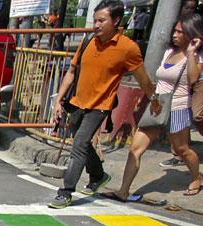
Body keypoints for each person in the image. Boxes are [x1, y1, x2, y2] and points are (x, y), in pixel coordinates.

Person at [49, 0, 156, 209]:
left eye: (101, 20)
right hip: (77, 102)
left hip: (100, 106)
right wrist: (58, 100)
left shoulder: (128, 48)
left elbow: (143, 79)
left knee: (79, 145)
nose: (96, 25)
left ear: (116, 21)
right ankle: (98, 175)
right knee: (82, 143)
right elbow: (71, 72)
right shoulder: (88, 40)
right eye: (95, 20)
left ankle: (65, 192)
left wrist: (154, 100)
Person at [109, 15, 203, 202]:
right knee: (135, 148)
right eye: (174, 30)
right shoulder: (169, 51)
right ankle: (123, 191)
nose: (175, 35)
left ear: (192, 34)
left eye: (180, 32)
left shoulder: (196, 57)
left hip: (178, 108)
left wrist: (191, 52)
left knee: (182, 149)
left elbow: (193, 80)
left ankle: (196, 177)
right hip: (157, 106)